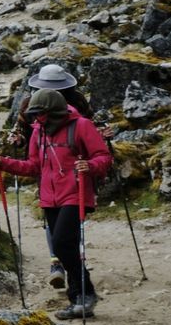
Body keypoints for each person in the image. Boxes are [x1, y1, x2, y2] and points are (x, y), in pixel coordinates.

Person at [0, 89, 111, 320]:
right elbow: (34, 166)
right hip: (50, 197)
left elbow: (103, 157)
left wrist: (89, 165)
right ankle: (79, 298)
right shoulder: (39, 132)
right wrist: (5, 163)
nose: (36, 119)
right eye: (34, 115)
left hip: (75, 194)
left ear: (54, 112)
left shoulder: (82, 126)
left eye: (40, 114)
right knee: (61, 248)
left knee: (62, 244)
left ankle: (85, 294)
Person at [6, 63, 102, 288]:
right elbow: (22, 128)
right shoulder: (31, 104)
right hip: (46, 166)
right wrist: (18, 143)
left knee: (64, 232)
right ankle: (62, 264)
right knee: (57, 228)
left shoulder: (77, 107)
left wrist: (91, 159)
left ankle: (71, 269)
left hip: (73, 173)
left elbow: (90, 131)